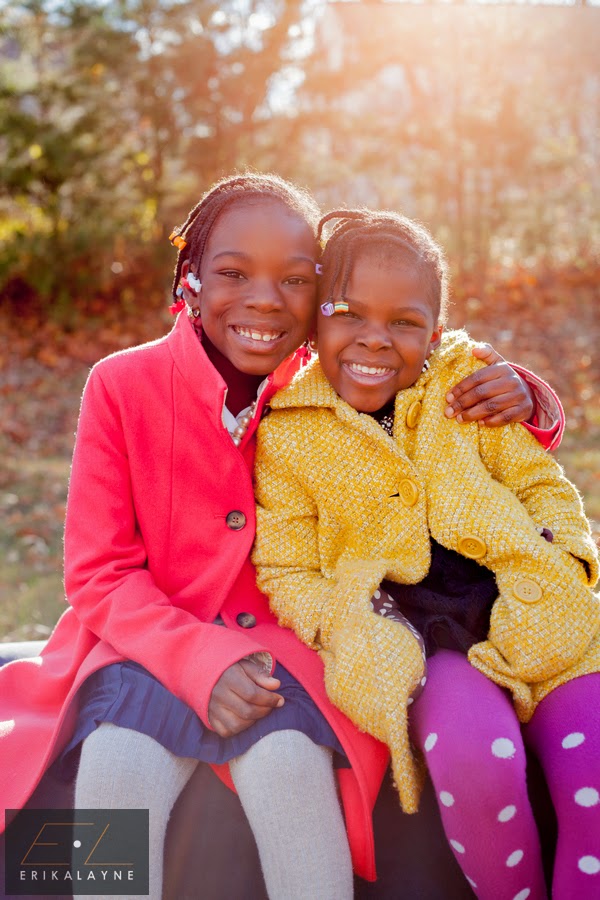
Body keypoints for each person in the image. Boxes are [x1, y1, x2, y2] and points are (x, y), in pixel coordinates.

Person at [0, 176, 566, 900]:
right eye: (234, 273)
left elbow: (435, 395)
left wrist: (523, 394)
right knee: (112, 789)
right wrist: (200, 663)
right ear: (191, 282)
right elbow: (99, 573)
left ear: (320, 294)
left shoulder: (331, 382)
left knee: (295, 794)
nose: (265, 299)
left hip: (288, 656)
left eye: (295, 280)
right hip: (144, 650)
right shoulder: (121, 385)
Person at [252, 208, 600, 900]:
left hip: (535, 610)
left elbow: (541, 486)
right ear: (315, 323)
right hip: (419, 640)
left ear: (434, 333)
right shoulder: (289, 432)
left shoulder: (465, 385)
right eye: (348, 314)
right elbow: (284, 566)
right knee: (475, 759)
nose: (374, 340)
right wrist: (342, 623)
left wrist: (569, 559)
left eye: (404, 323)